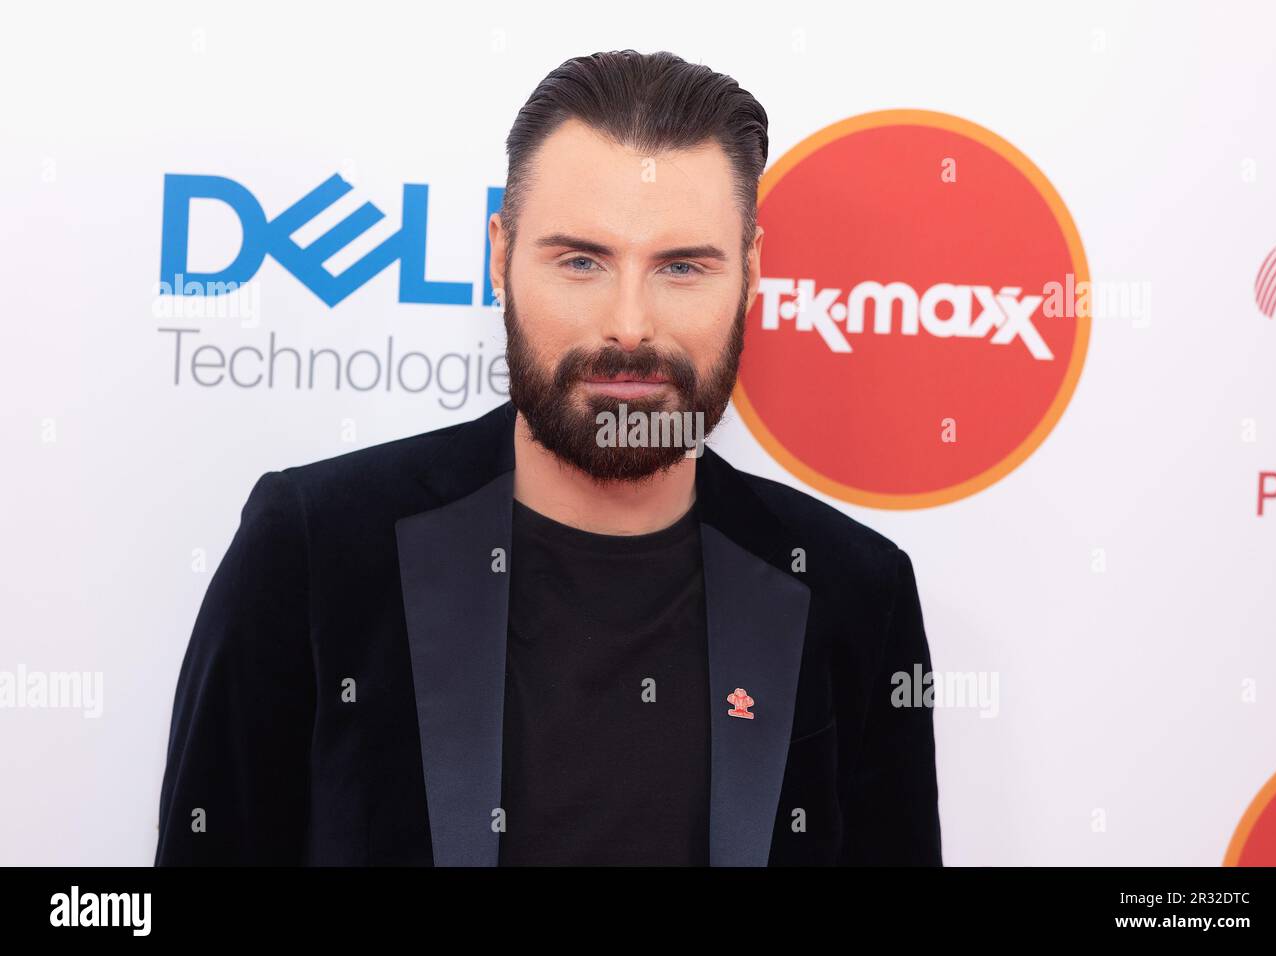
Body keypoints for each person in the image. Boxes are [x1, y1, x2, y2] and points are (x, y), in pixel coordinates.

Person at [154, 49, 941, 866]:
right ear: (500, 258)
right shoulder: (314, 551)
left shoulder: (855, 593)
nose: (630, 324)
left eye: (681, 267)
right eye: (580, 261)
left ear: (749, 276)